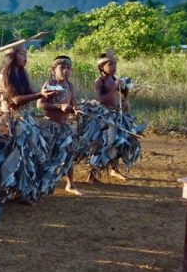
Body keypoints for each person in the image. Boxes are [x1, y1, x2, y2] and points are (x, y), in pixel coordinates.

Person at [0, 44, 57, 204]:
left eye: (26, 53)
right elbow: (15, 100)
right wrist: (39, 94)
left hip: (24, 119)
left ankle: (21, 190)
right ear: (12, 56)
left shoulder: (22, 73)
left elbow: (28, 94)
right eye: (22, 54)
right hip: (9, 120)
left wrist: (43, 94)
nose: (25, 57)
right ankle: (2, 190)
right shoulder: (4, 74)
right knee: (10, 156)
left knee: (27, 156)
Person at [77, 49, 145, 183]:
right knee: (102, 145)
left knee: (120, 143)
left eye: (115, 64)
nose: (114, 67)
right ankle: (91, 174)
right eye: (110, 65)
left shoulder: (114, 79)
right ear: (102, 67)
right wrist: (114, 88)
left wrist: (125, 88)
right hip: (105, 117)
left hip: (117, 115)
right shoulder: (99, 81)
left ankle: (114, 169)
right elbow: (101, 100)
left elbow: (122, 96)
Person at [38, 55, 81, 195]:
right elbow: (40, 104)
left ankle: (70, 184)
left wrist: (75, 110)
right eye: (62, 67)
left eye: (68, 68)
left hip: (64, 125)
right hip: (50, 126)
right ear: (54, 69)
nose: (65, 71)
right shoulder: (50, 84)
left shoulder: (70, 85)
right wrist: (59, 106)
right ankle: (41, 184)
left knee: (69, 153)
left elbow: (74, 103)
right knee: (47, 155)